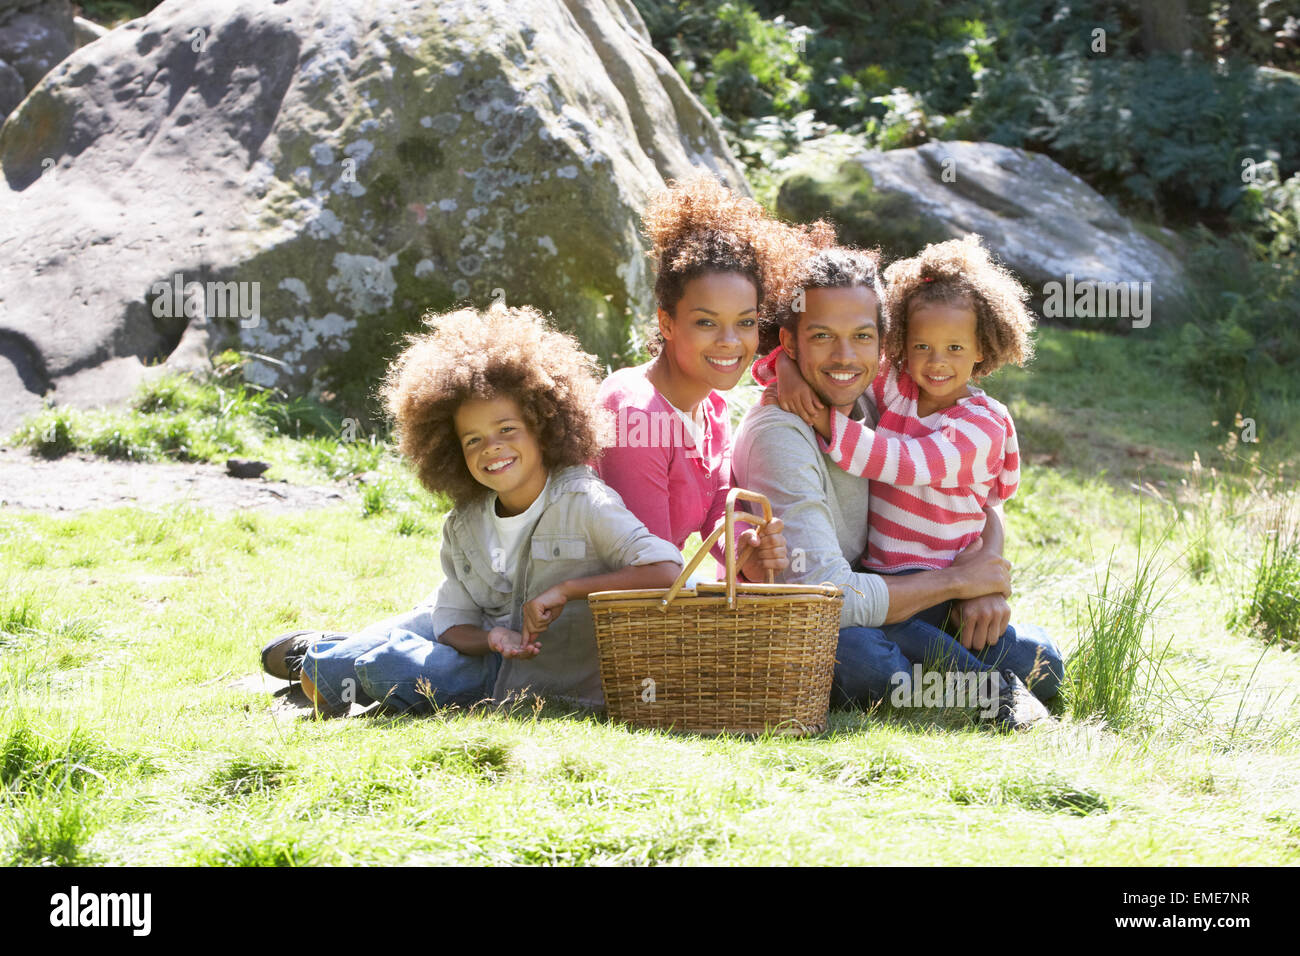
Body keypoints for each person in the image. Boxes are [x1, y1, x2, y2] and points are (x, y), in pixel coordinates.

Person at [260, 304, 682, 717]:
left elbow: (667, 572)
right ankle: (323, 656)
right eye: (473, 440)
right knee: (326, 670)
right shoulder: (463, 523)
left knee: (383, 666)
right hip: (482, 650)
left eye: (507, 429)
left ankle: (346, 653)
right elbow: (452, 624)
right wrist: (493, 637)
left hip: (526, 679)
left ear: (544, 425)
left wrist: (566, 589)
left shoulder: (584, 501)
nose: (492, 448)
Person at [732, 246, 1062, 729]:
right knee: (861, 657)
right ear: (791, 340)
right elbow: (827, 597)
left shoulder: (870, 393)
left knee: (1043, 660)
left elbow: (982, 494)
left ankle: (944, 684)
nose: (845, 356)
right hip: (828, 616)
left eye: (862, 337)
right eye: (821, 337)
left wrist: (983, 573)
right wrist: (960, 581)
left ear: (883, 343)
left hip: (911, 594)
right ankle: (984, 695)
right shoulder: (784, 433)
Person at [758, 235, 1032, 629]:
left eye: (955, 348)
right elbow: (838, 365)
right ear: (903, 342)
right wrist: (786, 366)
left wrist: (824, 422)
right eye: (922, 346)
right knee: (878, 650)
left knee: (986, 655)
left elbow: (904, 463)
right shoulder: (896, 387)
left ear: (982, 349)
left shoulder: (981, 425)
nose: (936, 363)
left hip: (941, 578)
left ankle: (995, 684)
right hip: (881, 574)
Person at [594, 172, 825, 581]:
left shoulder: (712, 407)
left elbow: (720, 512)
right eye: (706, 323)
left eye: (746, 322)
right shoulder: (634, 411)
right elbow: (648, 568)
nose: (730, 342)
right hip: (574, 619)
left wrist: (747, 553)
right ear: (666, 322)